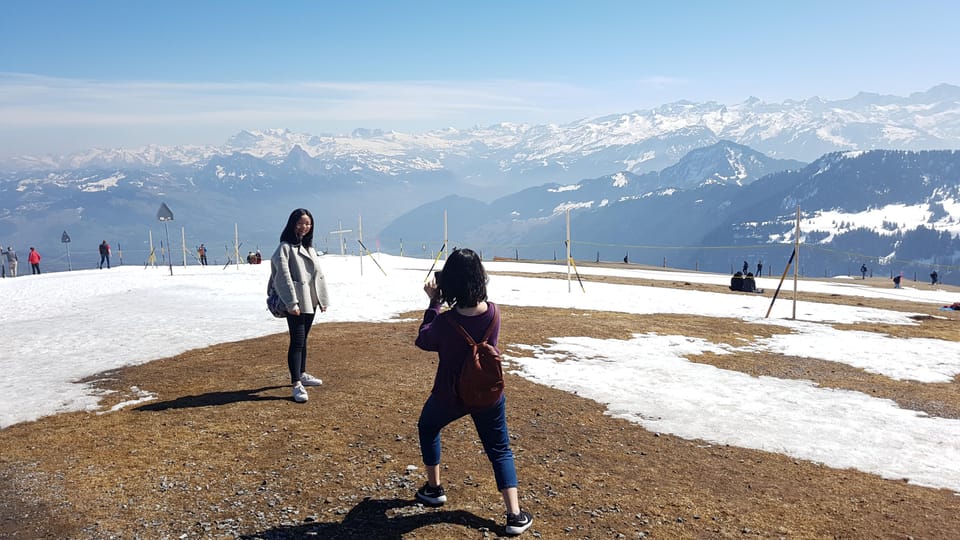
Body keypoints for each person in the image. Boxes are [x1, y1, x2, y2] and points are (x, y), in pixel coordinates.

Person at [414, 248, 534, 536]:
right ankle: (514, 515)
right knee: (500, 449)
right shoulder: (494, 313)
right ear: (480, 277)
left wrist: (434, 303)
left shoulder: (445, 321)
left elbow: (423, 340)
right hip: (487, 393)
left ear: (449, 283)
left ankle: (434, 489)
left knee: (428, 426)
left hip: (449, 395)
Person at [269, 208, 329, 403]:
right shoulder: (285, 248)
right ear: (293, 224)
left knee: (303, 340)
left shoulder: (309, 247)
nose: (305, 227)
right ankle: (296, 383)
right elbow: (283, 278)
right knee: (297, 340)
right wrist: (291, 302)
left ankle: (302, 373)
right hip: (296, 302)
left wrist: (322, 300)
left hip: (309, 301)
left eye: (308, 224)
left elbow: (317, 276)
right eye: (301, 223)